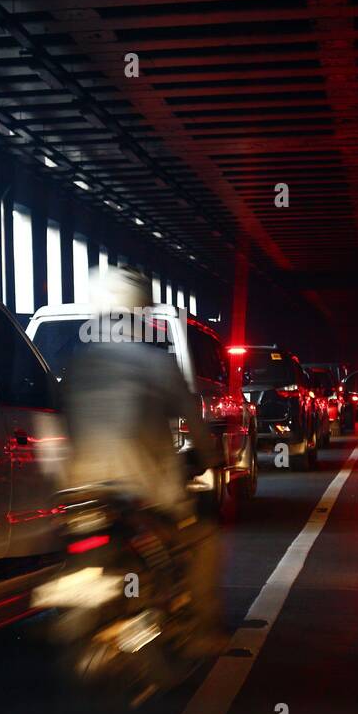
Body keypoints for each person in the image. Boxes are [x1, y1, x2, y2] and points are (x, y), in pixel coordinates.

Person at [61, 266, 229, 658]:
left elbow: (66, 424)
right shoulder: (157, 365)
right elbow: (195, 425)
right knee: (204, 536)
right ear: (142, 312)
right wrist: (207, 458)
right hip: (147, 494)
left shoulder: (79, 364)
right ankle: (203, 629)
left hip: (83, 494)